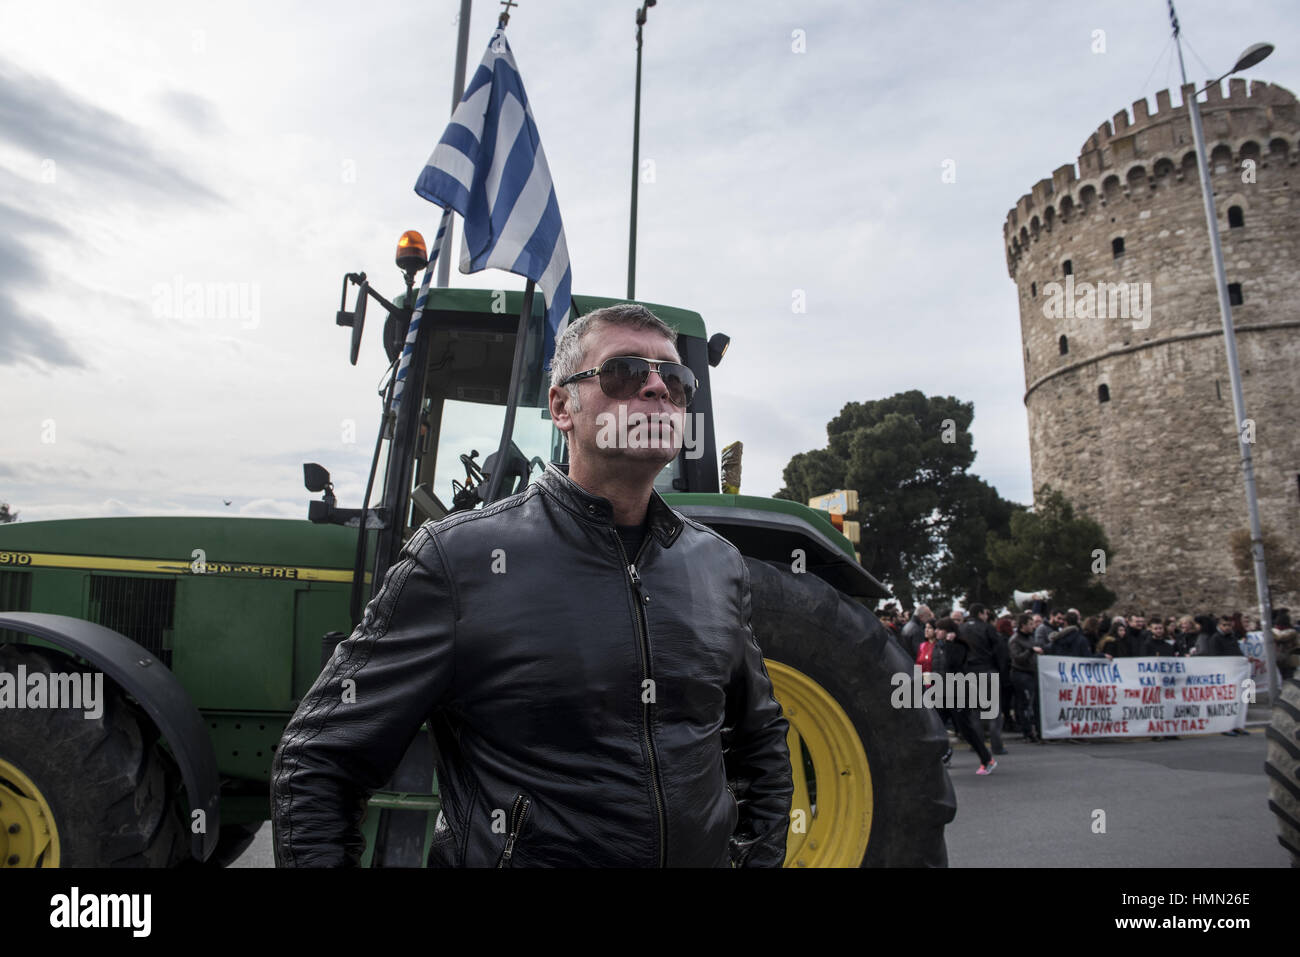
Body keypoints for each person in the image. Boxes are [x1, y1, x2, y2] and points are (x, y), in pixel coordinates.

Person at [271, 303, 793, 867]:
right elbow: (317, 763)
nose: (656, 389)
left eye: (675, 378)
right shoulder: (458, 560)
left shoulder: (717, 565)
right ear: (562, 406)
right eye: (623, 372)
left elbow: (759, 741)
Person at [935, 618, 996, 775]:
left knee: (965, 729)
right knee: (937, 724)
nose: (936, 632)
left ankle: (987, 759)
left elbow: (952, 664)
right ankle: (942, 755)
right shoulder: (940, 646)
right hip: (944, 691)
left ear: (948, 631)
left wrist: (949, 644)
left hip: (959, 692)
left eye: (939, 629)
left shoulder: (958, 646)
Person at [961, 603, 1007, 755]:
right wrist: (1001, 671)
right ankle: (996, 745)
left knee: (975, 712)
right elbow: (999, 651)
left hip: (970, 672)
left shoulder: (962, 629)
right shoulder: (988, 628)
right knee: (993, 711)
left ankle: (977, 744)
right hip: (988, 670)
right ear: (981, 613)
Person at [1008, 613, 1043, 743]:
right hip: (1021, 673)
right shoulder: (1015, 639)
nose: (1033, 627)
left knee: (1033, 703)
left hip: (1031, 673)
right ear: (1023, 626)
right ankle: (1027, 731)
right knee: (1025, 703)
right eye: (1030, 624)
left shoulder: (1030, 637)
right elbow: (1017, 658)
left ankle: (1036, 729)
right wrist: (1030, 651)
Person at [1273, 610, 1298, 681]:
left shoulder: (1292, 632)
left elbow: (1280, 636)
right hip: (1280, 660)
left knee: (1288, 680)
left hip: (1288, 661)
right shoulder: (1276, 631)